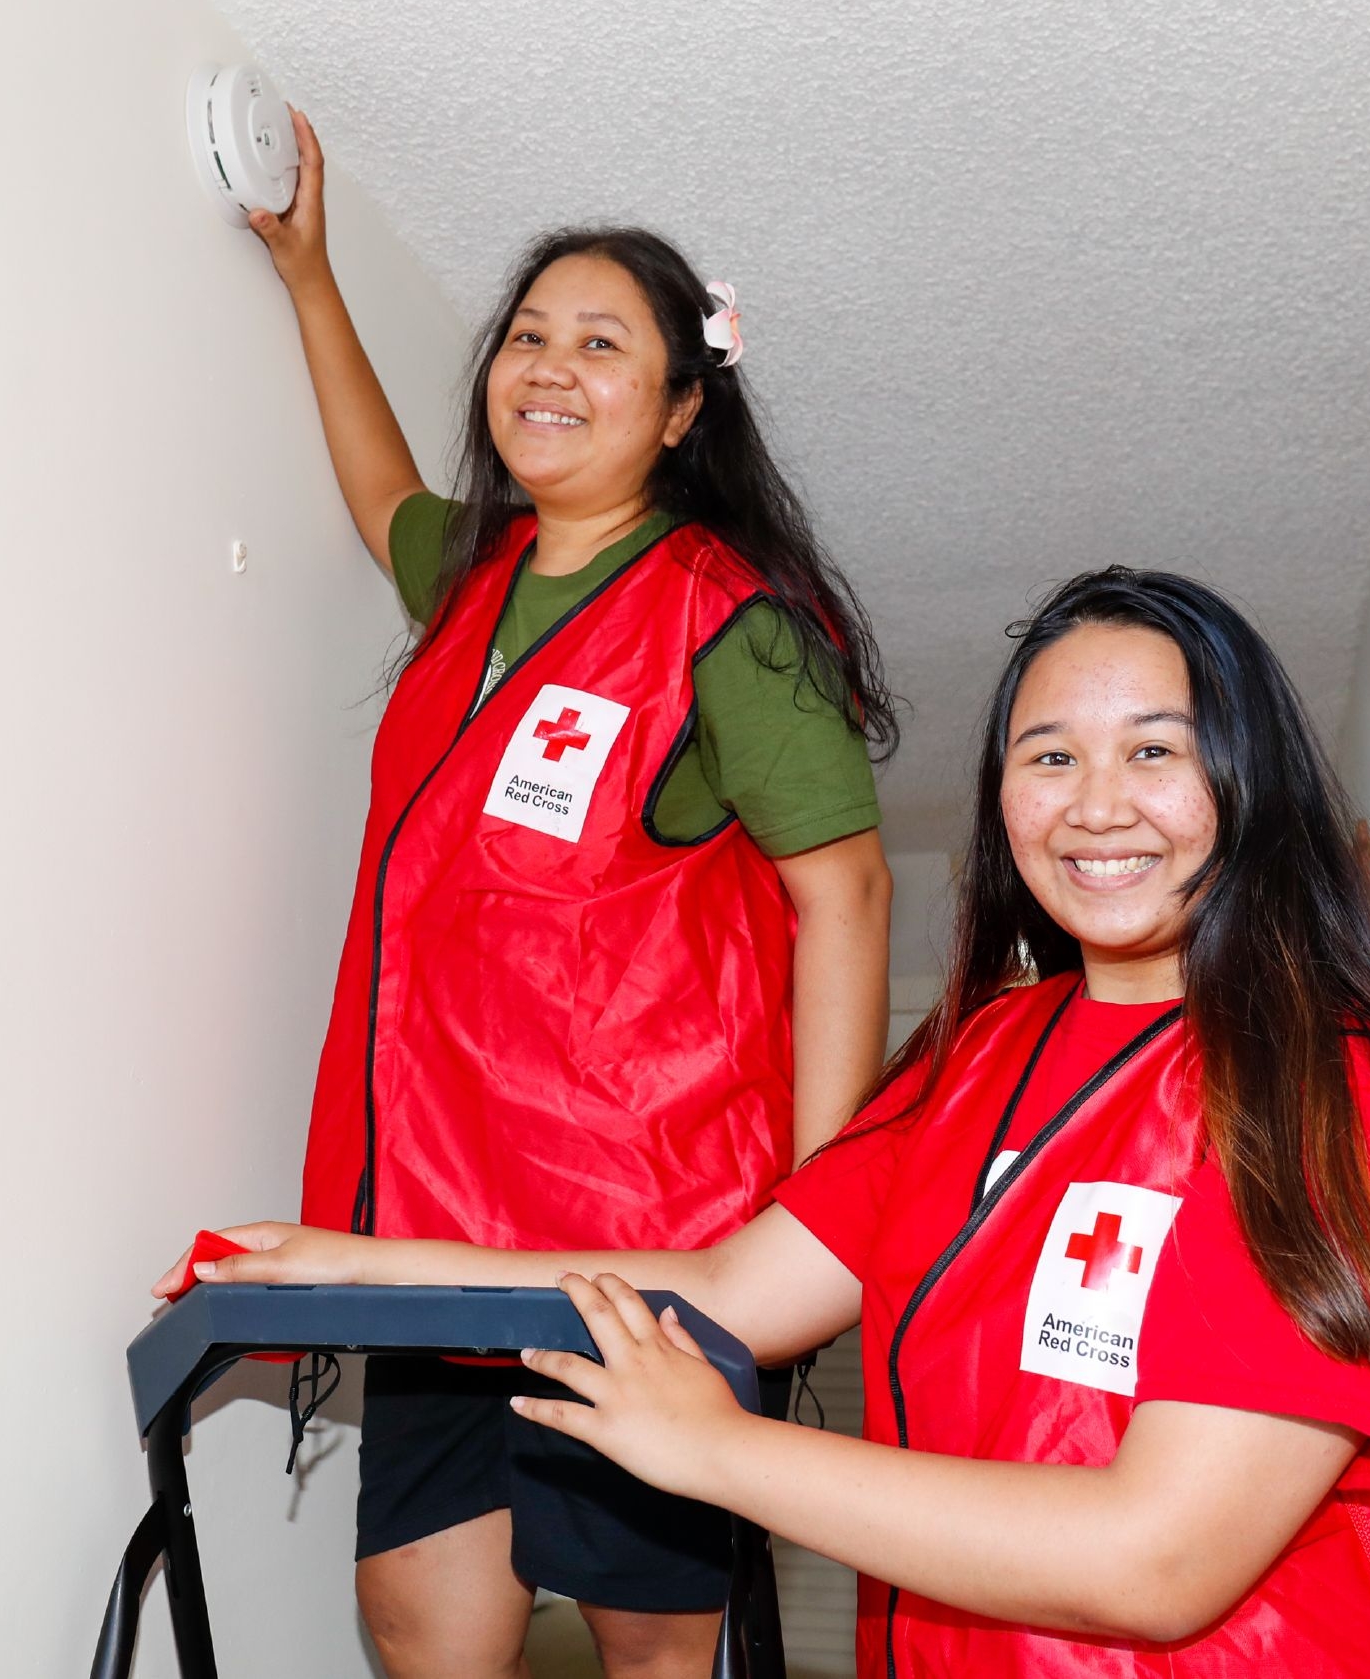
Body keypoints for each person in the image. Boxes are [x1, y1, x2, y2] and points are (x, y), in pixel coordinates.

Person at [164, 567, 1370, 1677]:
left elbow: (1160, 1558)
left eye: (1155, 751)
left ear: (1252, 786)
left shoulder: (1331, 1097)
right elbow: (728, 1287)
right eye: (1049, 755)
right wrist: (361, 1264)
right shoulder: (977, 1053)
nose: (1097, 805)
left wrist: (720, 1449)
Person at [244, 112, 899, 1679]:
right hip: (432, 1236)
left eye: (603, 344)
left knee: (652, 1645)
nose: (549, 364)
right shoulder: (469, 580)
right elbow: (381, 493)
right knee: (419, 1624)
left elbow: (853, 899)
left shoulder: (731, 624)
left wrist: (813, 1225)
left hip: (637, 1248)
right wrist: (312, 276)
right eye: (529, 333)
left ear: (679, 411)